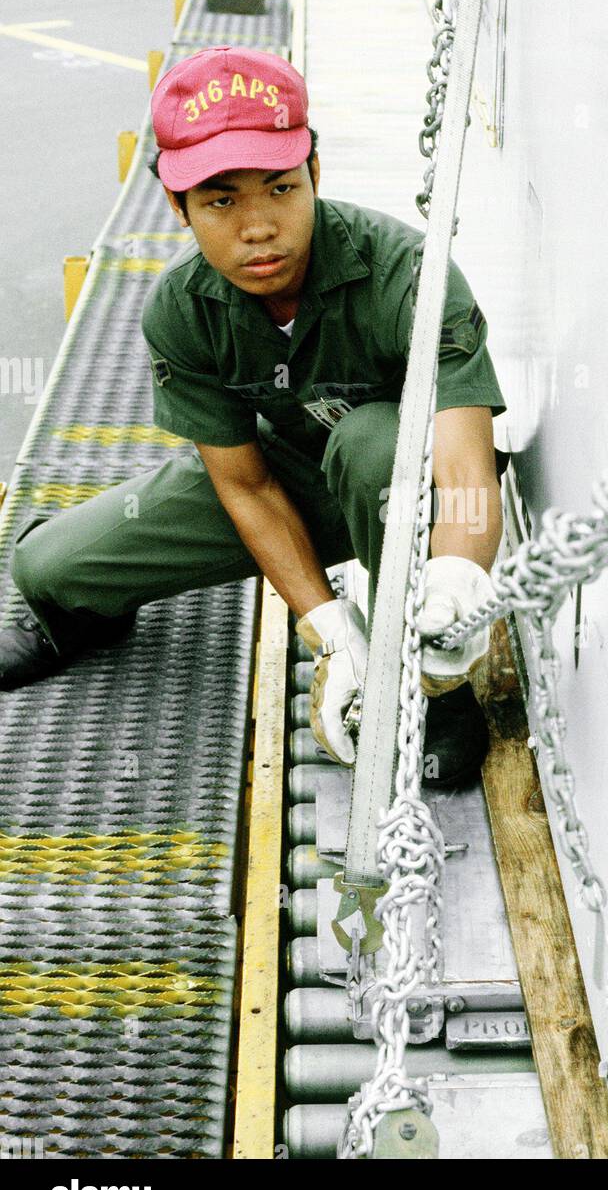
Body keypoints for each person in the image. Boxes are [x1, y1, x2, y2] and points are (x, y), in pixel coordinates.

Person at [0, 45, 510, 787]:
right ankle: (96, 614)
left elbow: (465, 461)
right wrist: (329, 632)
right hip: (287, 477)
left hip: (402, 498)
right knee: (44, 567)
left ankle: (436, 685)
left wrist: (460, 576)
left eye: (278, 187)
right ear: (178, 208)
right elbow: (243, 486)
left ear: (315, 175)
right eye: (220, 200)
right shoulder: (182, 309)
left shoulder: (409, 274)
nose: (259, 226)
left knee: (372, 440)